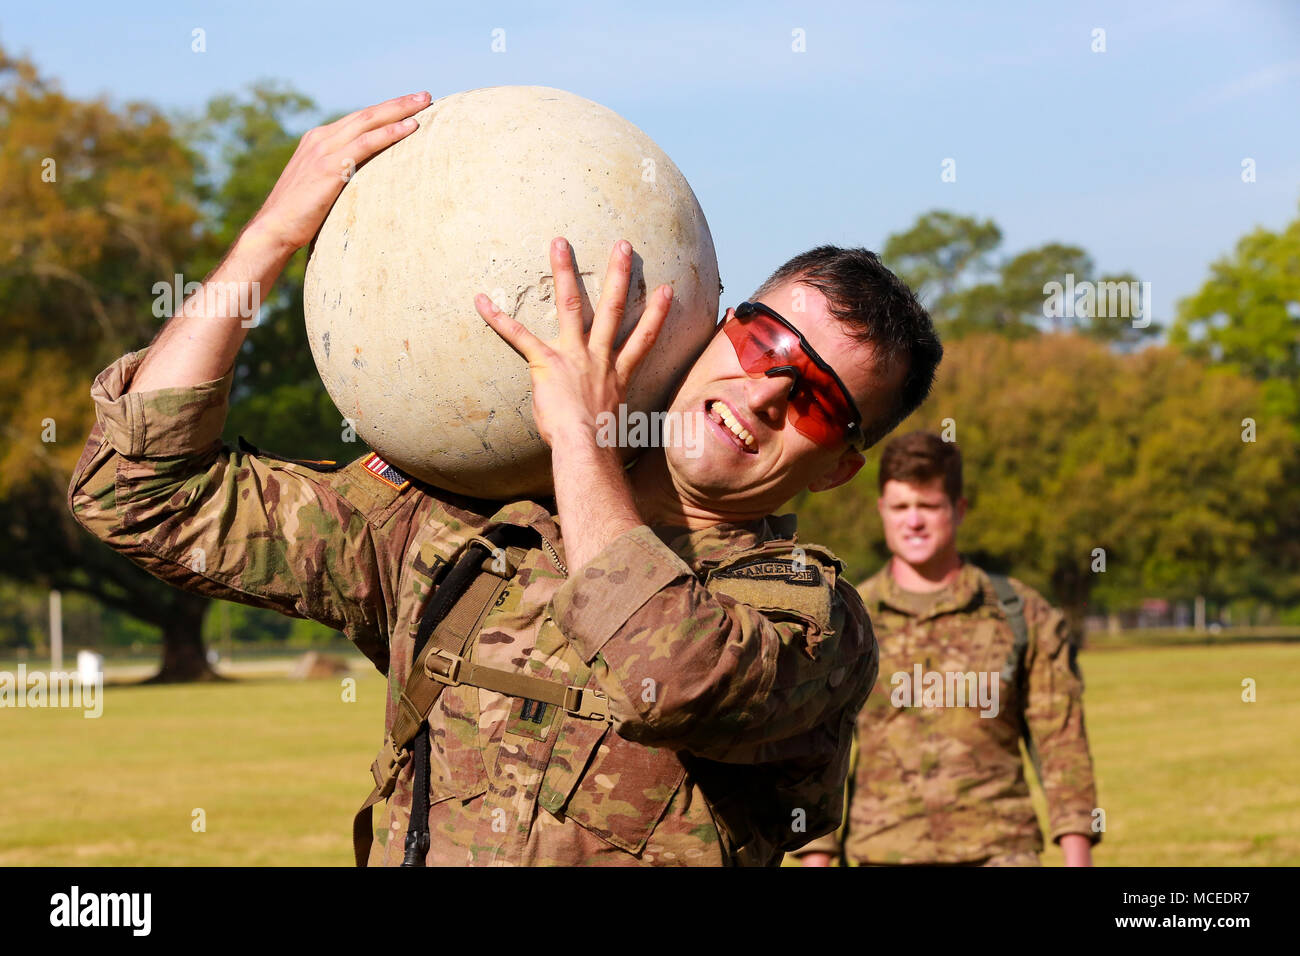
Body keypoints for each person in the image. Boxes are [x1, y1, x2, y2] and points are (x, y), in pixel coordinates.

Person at [66, 91, 943, 866]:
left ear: (837, 467)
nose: (765, 394)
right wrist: (270, 237)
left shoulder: (807, 620)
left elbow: (668, 676)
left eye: (821, 401)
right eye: (764, 344)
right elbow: (139, 492)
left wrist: (583, 442)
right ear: (714, 321)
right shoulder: (456, 535)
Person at [794, 431, 1100, 867]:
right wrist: (815, 859)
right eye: (901, 507)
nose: (913, 521)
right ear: (882, 510)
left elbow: (1062, 744)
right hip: (883, 851)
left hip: (1000, 851)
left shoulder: (1020, 613)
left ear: (958, 510)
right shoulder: (844, 620)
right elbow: (819, 755)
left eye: (929, 506)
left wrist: (1078, 856)